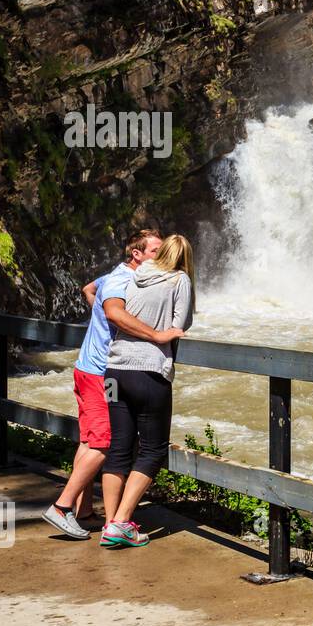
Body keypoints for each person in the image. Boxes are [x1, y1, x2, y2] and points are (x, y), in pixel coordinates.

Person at [42, 229, 184, 540]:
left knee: (90, 439)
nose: (161, 257)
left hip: (89, 367)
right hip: (98, 372)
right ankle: (61, 507)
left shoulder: (112, 276)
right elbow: (114, 312)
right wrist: (157, 335)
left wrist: (100, 327)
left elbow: (88, 289)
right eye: (155, 251)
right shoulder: (124, 281)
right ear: (137, 254)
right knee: (104, 442)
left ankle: (82, 511)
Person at [100, 234, 195, 548]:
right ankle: (122, 522)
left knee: (118, 449)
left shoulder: (138, 274)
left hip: (115, 371)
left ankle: (110, 525)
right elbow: (180, 324)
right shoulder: (179, 279)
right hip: (148, 372)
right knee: (152, 450)